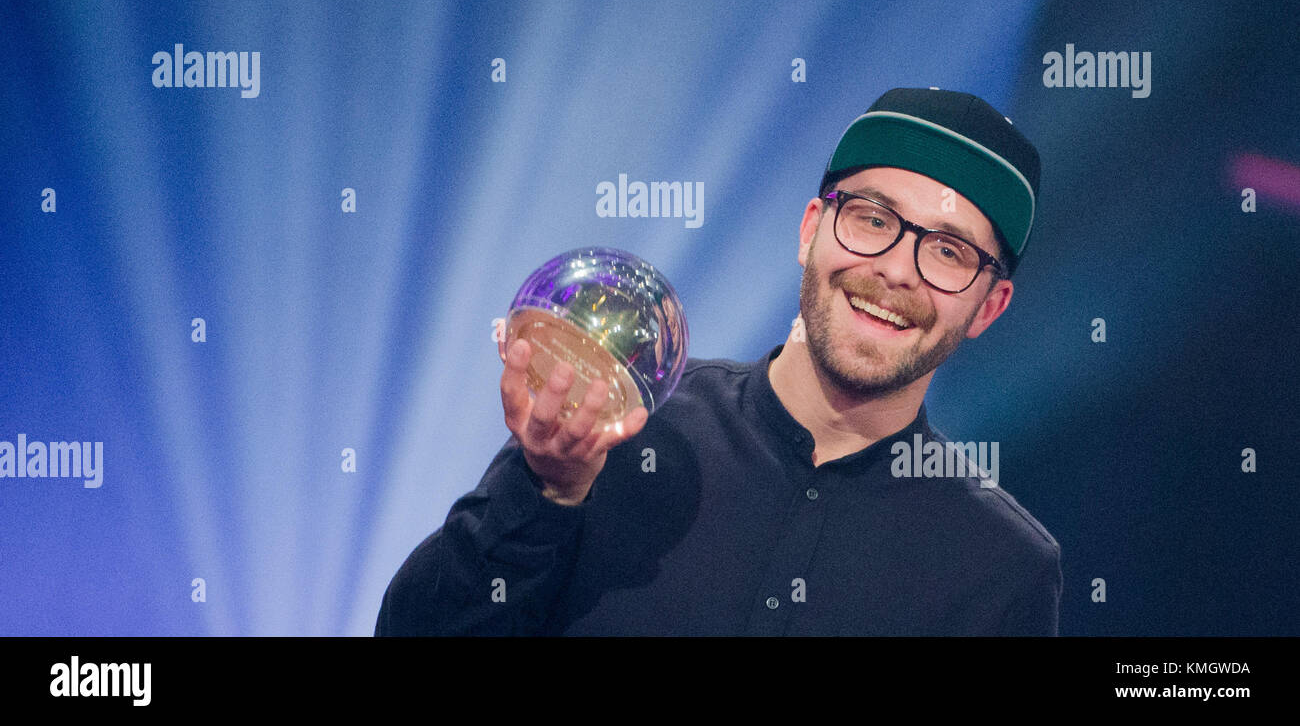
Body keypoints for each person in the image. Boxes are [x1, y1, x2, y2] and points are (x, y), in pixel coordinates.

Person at [375, 87, 1061, 636]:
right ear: (810, 230)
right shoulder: (623, 424)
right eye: (874, 220)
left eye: (948, 252)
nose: (895, 272)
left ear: (989, 306)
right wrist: (546, 491)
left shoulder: (1003, 570)